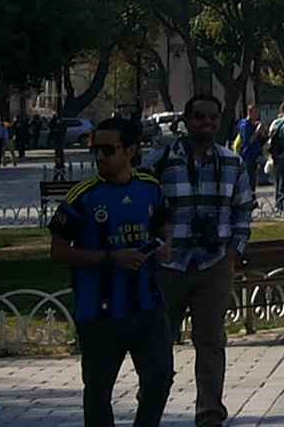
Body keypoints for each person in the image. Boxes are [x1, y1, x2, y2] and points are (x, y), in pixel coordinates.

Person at [48, 117, 174, 427]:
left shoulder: (150, 187)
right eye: (96, 151)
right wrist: (110, 258)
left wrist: (164, 246)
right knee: (99, 391)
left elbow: (163, 226)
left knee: (159, 378)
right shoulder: (83, 197)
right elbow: (59, 250)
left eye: (108, 149)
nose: (100, 157)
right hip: (99, 311)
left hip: (147, 305)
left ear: (131, 150)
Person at [150, 93, 252, 427]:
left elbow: (243, 209)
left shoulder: (232, 162)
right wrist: (155, 245)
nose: (206, 123)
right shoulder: (161, 161)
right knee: (159, 341)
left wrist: (235, 249)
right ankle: (149, 406)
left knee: (211, 342)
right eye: (199, 117)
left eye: (212, 117)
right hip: (170, 264)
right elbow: (144, 208)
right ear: (186, 121)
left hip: (214, 263)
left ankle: (209, 413)